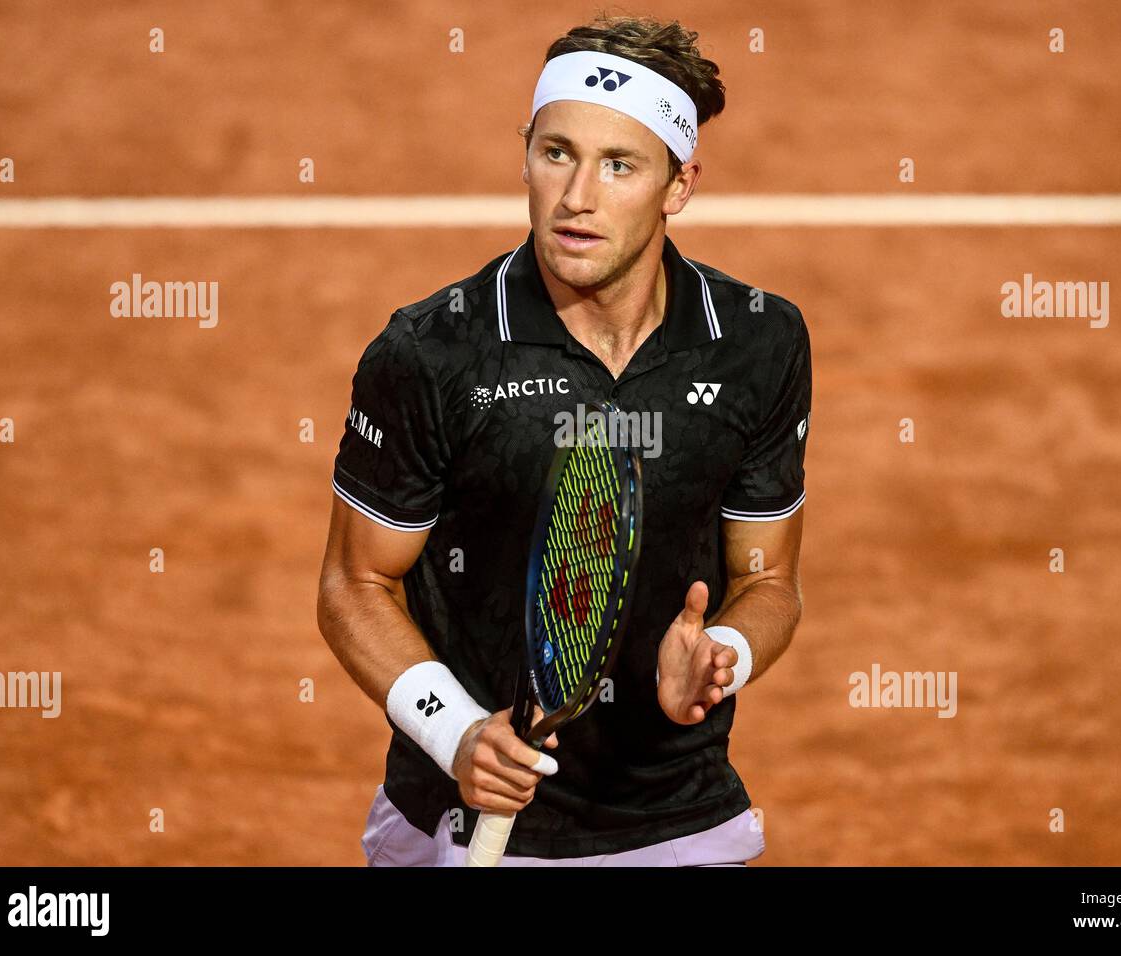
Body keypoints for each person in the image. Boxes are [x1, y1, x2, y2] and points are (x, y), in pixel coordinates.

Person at [317, 15, 812, 866]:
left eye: (619, 165)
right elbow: (355, 581)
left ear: (679, 185)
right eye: (556, 154)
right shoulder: (433, 353)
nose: (577, 197)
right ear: (526, 154)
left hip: (676, 817)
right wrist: (459, 735)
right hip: (459, 817)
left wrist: (721, 654)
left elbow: (768, 581)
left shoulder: (757, 344)